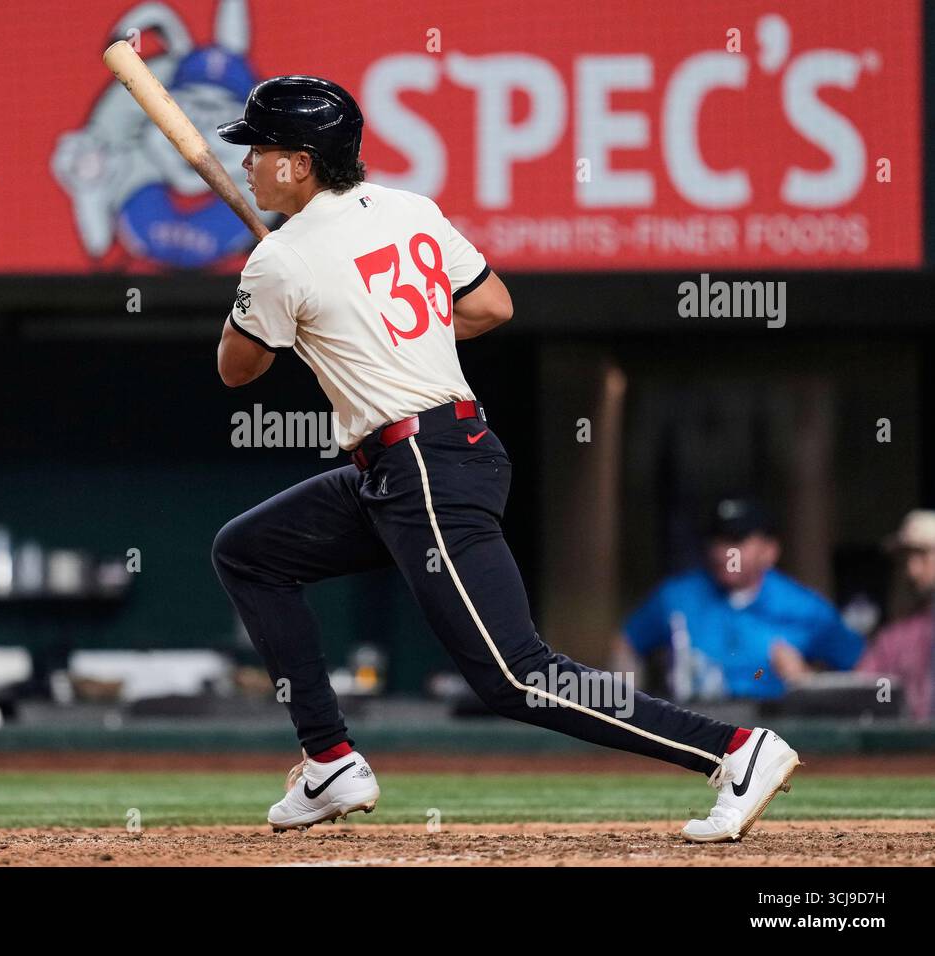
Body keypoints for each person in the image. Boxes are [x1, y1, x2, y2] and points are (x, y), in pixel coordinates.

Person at [209, 75, 798, 842]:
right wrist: (365, 321)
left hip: (422, 464)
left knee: (516, 673)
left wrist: (264, 289)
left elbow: (236, 370)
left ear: (298, 163)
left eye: (259, 150)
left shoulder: (281, 259)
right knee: (250, 551)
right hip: (426, 458)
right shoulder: (406, 209)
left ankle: (734, 750)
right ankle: (329, 760)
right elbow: (491, 306)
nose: (248, 164)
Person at [615, 498, 863, 701]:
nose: (724, 553)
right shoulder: (676, 597)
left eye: (737, 541)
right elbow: (627, 643)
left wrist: (808, 683)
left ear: (769, 550)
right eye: (718, 540)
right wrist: (628, 703)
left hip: (773, 737)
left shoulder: (807, 608)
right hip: (692, 727)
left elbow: (861, 673)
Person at [777, 510, 934, 721]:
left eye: (923, 555)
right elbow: (860, 694)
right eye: (906, 558)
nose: (911, 570)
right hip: (915, 752)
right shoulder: (896, 638)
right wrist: (806, 682)